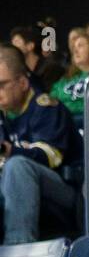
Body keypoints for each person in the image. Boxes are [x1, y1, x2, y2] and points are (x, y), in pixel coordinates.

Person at [0, 46, 79, 243]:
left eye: (2, 84)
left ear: (23, 82)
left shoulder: (47, 108)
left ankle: (19, 251)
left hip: (64, 189)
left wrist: (9, 151)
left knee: (17, 166)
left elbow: (51, 157)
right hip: (15, 187)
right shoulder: (3, 115)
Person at [50, 28, 89, 120]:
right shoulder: (65, 79)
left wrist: (68, 108)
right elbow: (52, 101)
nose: (75, 51)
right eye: (74, 48)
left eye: (80, 46)